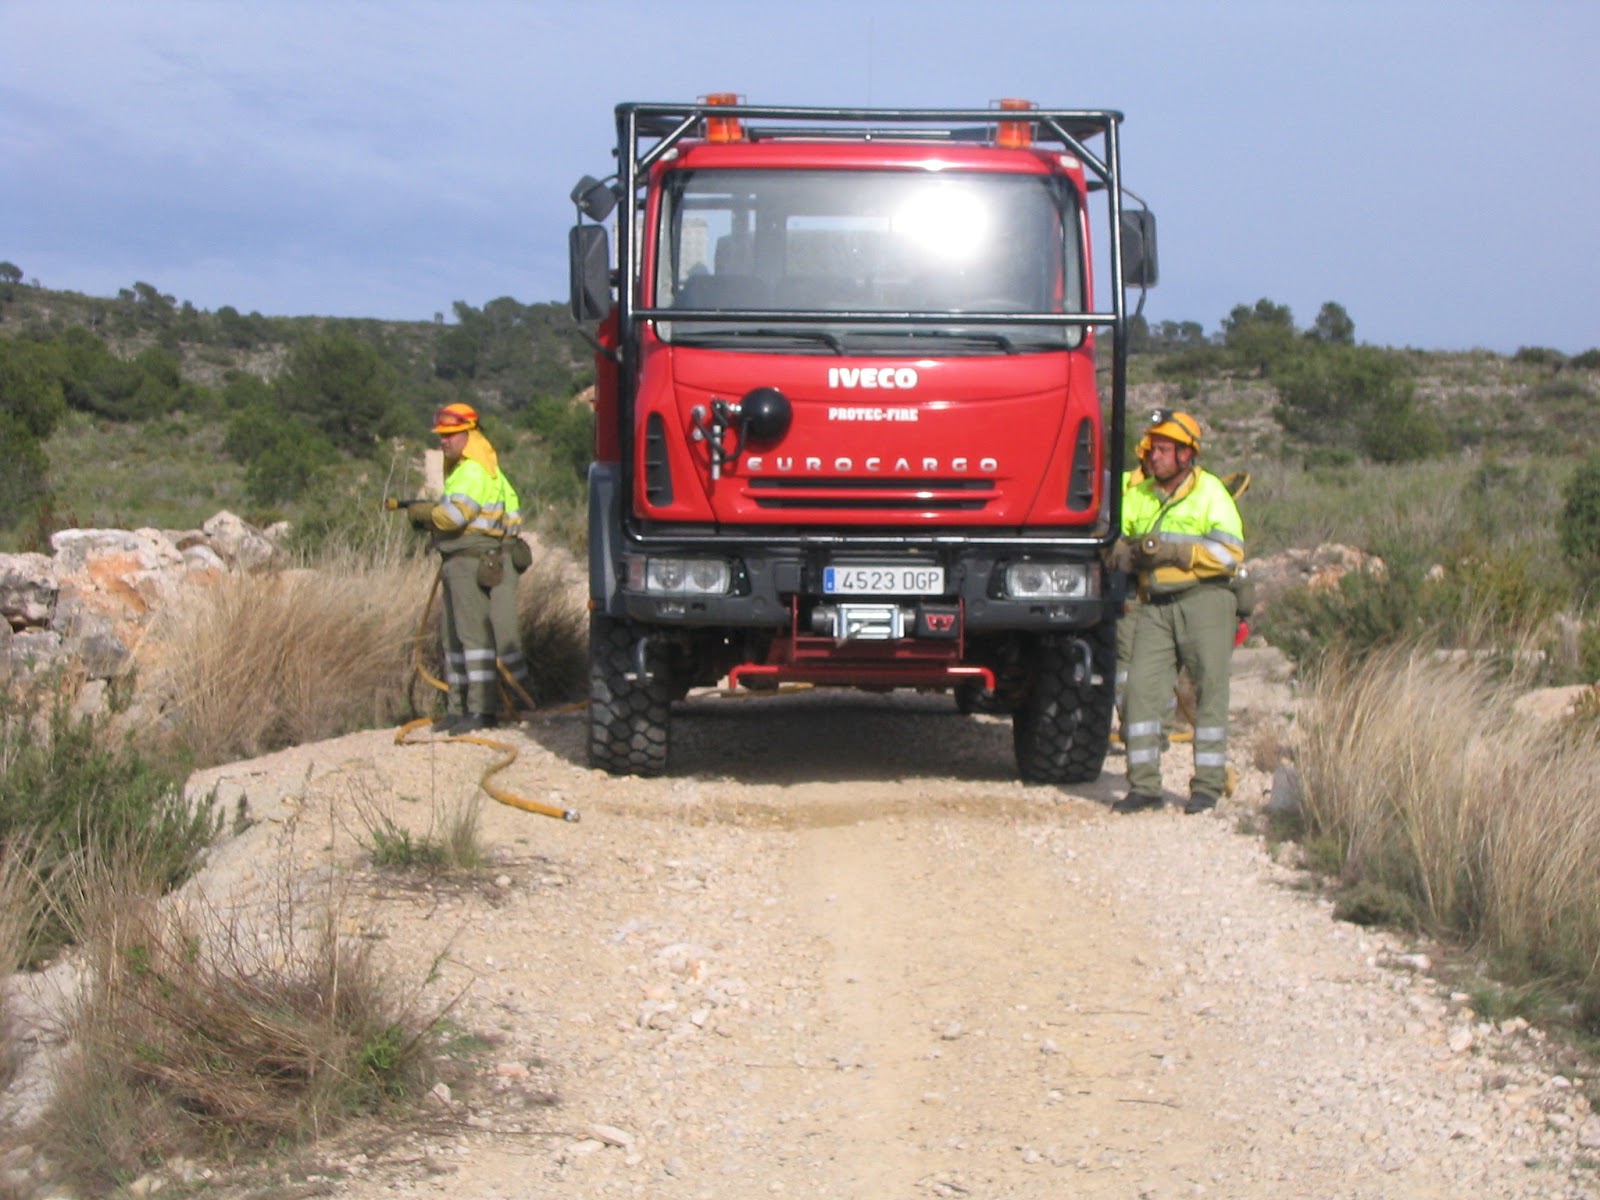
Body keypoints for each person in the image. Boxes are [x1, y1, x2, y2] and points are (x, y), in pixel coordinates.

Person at [1109, 410, 1244, 815]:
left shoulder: (1211, 493)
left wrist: (1179, 552)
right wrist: (1116, 550)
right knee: (1139, 693)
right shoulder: (1140, 493)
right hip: (1155, 604)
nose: (1155, 457)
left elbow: (1229, 554)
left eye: (1165, 450)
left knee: (1210, 693)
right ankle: (1144, 787)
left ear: (1187, 455)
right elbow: (1115, 534)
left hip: (1205, 600)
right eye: (1153, 449)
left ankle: (1206, 788)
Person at [404, 402, 530, 734]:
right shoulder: (475, 470)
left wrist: (425, 514)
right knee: (454, 637)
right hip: (459, 559)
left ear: (469, 435)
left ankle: (479, 710)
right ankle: (459, 708)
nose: (444, 441)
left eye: (450, 435)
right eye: (441, 435)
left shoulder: (473, 471)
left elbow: (454, 517)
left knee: (472, 637)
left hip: (469, 560)